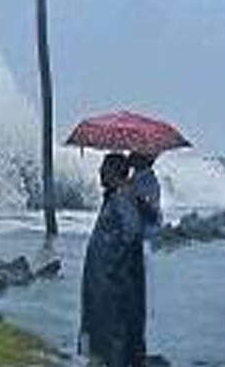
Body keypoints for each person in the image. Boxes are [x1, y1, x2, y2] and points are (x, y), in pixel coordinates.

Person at [79, 152, 146, 366]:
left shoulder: (122, 197)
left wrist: (114, 265)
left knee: (114, 331)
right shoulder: (115, 196)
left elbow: (132, 232)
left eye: (104, 168)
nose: (99, 172)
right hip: (105, 279)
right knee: (104, 328)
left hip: (113, 282)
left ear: (113, 172)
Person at [128, 151, 161, 365]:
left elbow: (151, 212)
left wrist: (134, 197)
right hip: (138, 241)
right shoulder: (138, 178)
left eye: (134, 153)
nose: (129, 154)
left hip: (140, 242)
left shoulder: (148, 180)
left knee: (134, 297)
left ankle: (136, 349)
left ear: (143, 159)